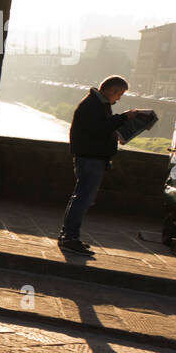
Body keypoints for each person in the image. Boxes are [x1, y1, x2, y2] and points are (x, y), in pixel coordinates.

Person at [59, 75, 137, 255]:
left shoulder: (96, 104)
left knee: (80, 197)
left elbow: (98, 129)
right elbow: (99, 128)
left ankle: (67, 236)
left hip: (91, 157)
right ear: (112, 90)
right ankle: (70, 238)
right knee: (82, 198)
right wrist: (123, 118)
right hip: (90, 158)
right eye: (120, 94)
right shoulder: (93, 105)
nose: (119, 98)